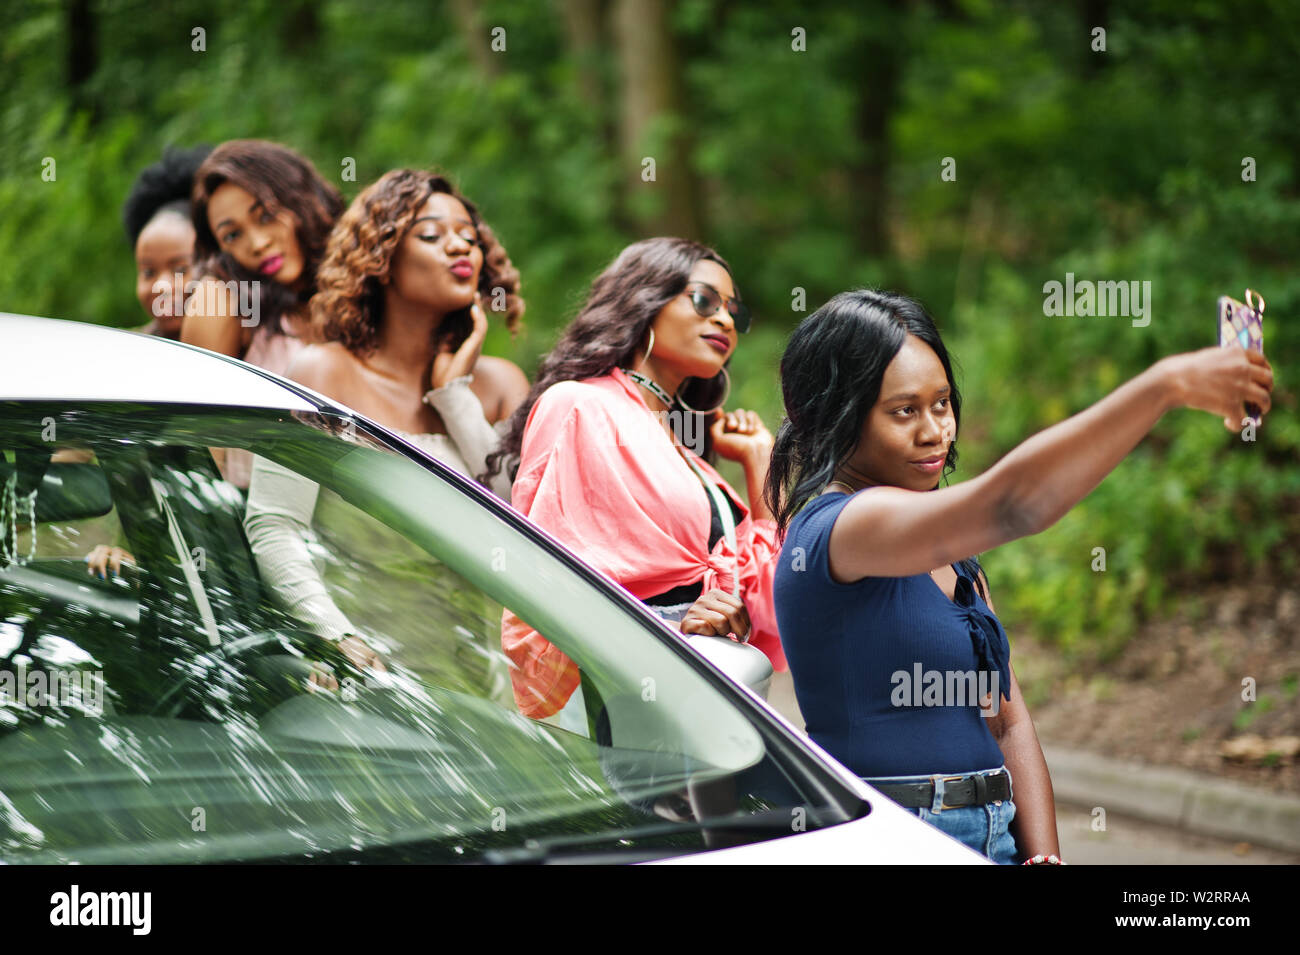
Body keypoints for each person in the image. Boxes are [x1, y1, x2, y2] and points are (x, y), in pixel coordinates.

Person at [767, 288, 1274, 864]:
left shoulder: (952, 557)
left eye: (942, 404)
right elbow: (1012, 506)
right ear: (838, 417)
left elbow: (1007, 721)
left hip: (994, 837)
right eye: (903, 411)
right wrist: (1164, 387)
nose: (935, 431)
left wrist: (1043, 854)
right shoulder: (841, 528)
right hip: (898, 838)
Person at [484, 237, 782, 727]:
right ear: (645, 298)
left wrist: (759, 463)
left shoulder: (688, 455)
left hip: (718, 704)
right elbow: (556, 583)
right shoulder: (579, 406)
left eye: (735, 313)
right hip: (625, 711)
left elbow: (769, 605)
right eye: (706, 301)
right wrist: (674, 626)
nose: (726, 321)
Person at [243, 169, 528, 677]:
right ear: (382, 258)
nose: (459, 247)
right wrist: (335, 637)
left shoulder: (501, 385)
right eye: (432, 235)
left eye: (468, 236)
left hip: (499, 690)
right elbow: (274, 524)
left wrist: (455, 399)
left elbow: (527, 528)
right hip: (370, 683)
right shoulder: (322, 373)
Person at [181, 139, 345, 486]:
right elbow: (201, 452)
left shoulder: (357, 289)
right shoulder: (224, 298)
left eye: (266, 216)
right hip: (265, 521)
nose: (257, 244)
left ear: (305, 200)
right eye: (233, 235)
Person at [122, 144, 212, 339]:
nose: (161, 287)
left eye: (180, 270)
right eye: (148, 272)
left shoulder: (258, 348)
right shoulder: (125, 348)